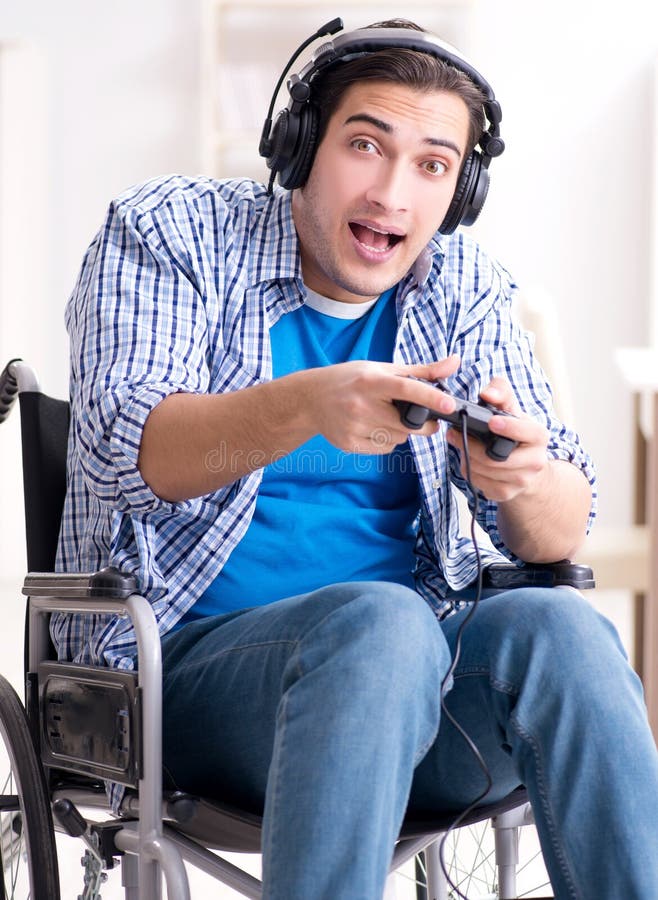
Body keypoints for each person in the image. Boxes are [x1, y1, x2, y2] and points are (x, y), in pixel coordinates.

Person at [55, 17, 658, 900]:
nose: (392, 194)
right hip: (183, 683)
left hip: (414, 690)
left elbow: (561, 526)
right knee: (380, 624)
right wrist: (309, 403)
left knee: (567, 629)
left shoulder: (463, 284)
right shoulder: (172, 233)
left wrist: (523, 478)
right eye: (365, 144)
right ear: (300, 143)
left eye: (432, 165)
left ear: (462, 187)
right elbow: (122, 450)